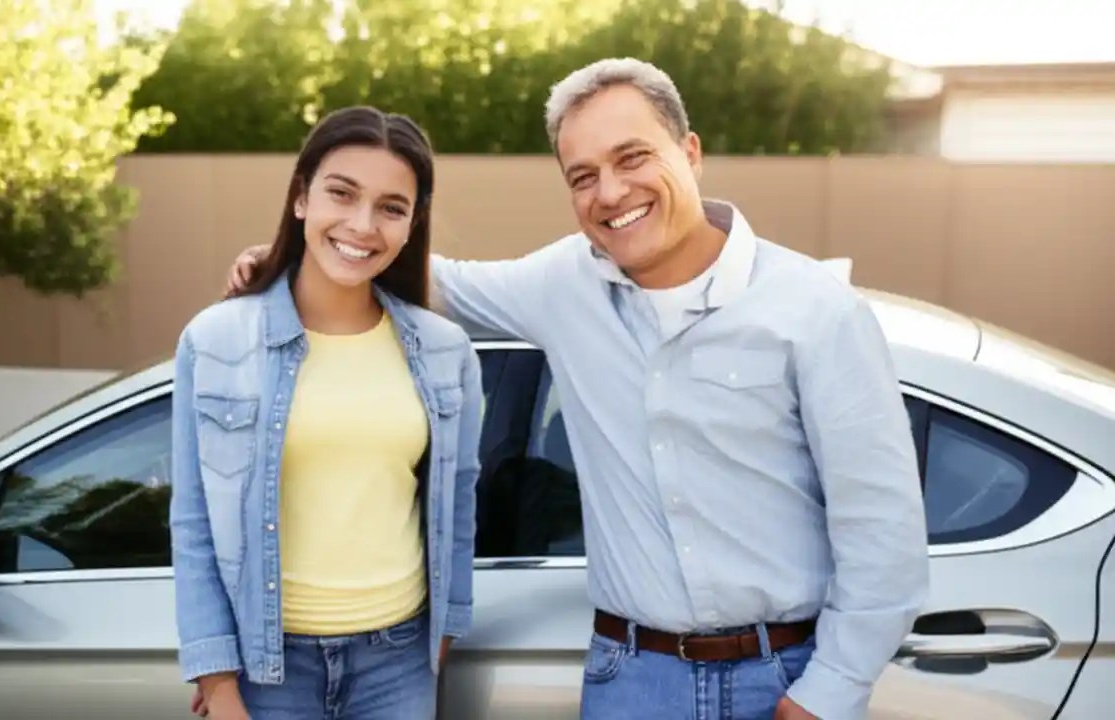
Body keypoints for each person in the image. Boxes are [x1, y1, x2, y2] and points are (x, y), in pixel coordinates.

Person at [227, 59, 928, 720]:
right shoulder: (563, 283)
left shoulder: (813, 309)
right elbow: (438, 283)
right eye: (582, 176)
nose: (611, 193)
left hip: (783, 675)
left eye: (632, 158)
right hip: (629, 681)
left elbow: (882, 529)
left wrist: (827, 692)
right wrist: (299, 257)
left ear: (689, 150)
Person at [172, 105, 481, 720]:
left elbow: (459, 504)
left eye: (392, 207)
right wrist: (218, 680)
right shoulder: (217, 340)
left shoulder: (446, 351)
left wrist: (441, 639)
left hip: (398, 665)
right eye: (342, 194)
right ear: (300, 198)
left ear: (411, 223)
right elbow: (193, 523)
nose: (363, 224)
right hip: (267, 670)